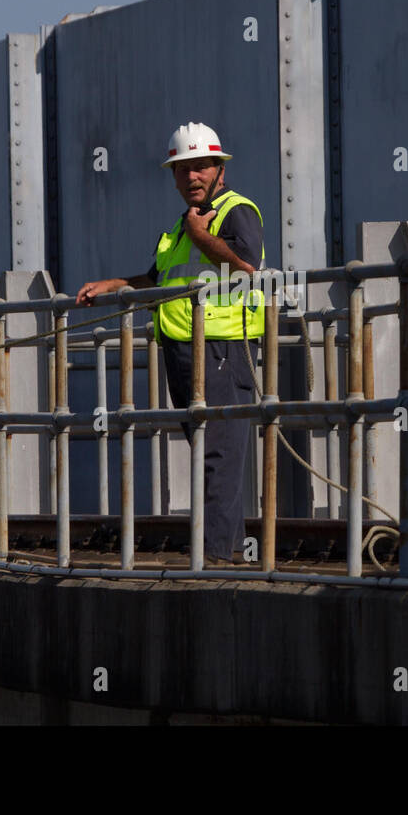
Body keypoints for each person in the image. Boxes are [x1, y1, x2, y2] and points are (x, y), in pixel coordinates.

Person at [75, 122, 264, 565]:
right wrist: (115, 284)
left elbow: (247, 266)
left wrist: (201, 236)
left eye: (200, 168)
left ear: (220, 169)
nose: (192, 177)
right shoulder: (185, 224)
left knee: (219, 451)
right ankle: (228, 551)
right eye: (183, 170)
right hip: (184, 351)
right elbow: (161, 280)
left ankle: (215, 556)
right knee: (209, 450)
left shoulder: (234, 212)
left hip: (221, 347)